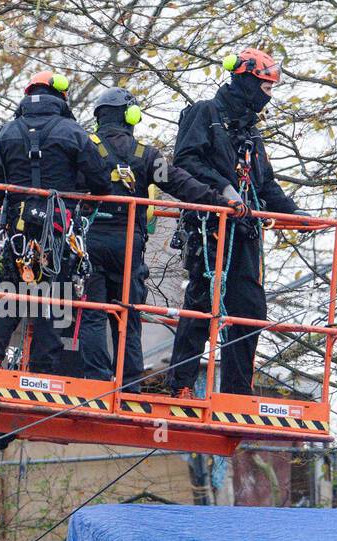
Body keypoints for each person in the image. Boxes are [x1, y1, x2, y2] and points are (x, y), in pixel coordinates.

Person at [164, 48, 299, 399]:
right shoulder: (204, 113)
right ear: (248, 82)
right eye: (266, 88)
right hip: (210, 226)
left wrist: (297, 216)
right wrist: (223, 190)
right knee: (202, 302)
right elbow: (185, 161)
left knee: (249, 308)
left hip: (244, 231)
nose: (268, 96)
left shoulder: (250, 133)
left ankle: (236, 394)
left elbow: (265, 183)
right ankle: (180, 384)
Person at [74, 88, 224, 392]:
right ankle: (129, 385)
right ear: (131, 116)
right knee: (128, 316)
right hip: (128, 245)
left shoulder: (84, 148)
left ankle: (96, 381)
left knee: (92, 313)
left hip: (90, 242)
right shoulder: (145, 155)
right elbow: (182, 183)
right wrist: (219, 202)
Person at [0, 70, 112, 373]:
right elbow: (101, 181)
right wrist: (74, 198)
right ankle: (41, 372)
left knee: (11, 291)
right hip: (58, 230)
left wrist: (13, 208)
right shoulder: (73, 132)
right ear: (61, 97)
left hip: (18, 230)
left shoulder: (6, 132)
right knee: (54, 299)